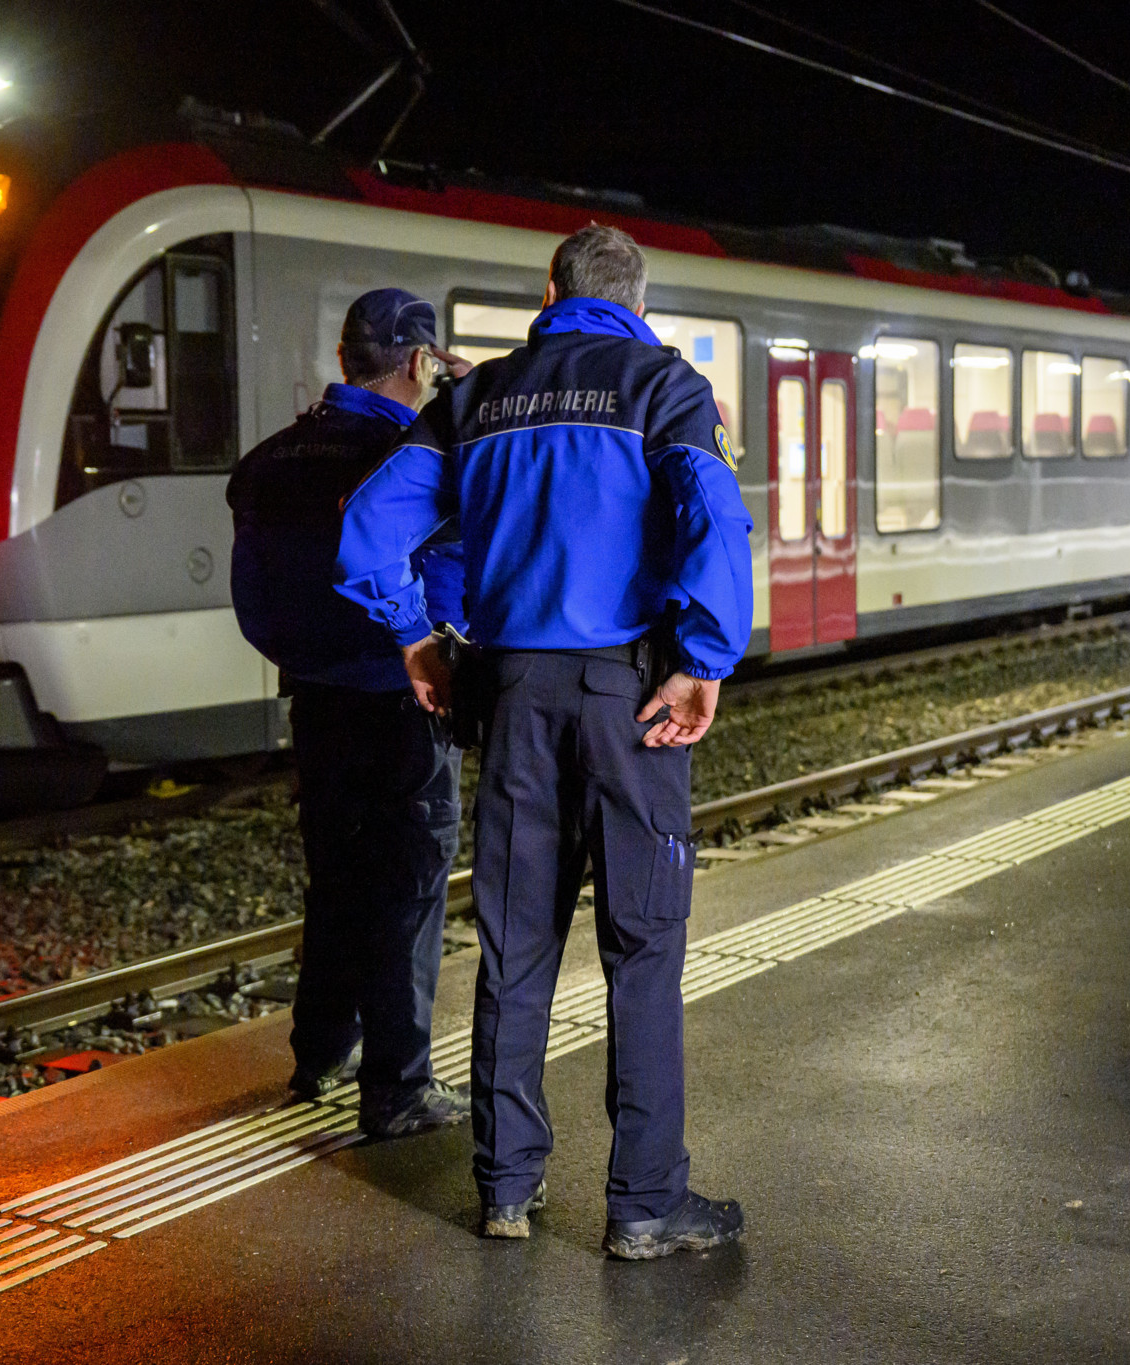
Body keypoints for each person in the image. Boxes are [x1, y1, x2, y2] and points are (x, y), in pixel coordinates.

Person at [335, 225, 755, 1259]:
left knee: (516, 944)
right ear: (638, 303)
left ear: (547, 291)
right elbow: (710, 517)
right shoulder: (663, 386)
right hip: (630, 701)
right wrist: (702, 657)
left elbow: (368, 527)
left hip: (512, 696)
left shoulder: (478, 398)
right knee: (642, 947)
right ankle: (646, 1203)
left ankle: (506, 1190)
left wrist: (415, 638)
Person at [225, 288, 473, 1140]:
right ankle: (399, 1087)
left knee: (335, 875)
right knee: (407, 886)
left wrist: (314, 655)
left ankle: (320, 1050)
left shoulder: (269, 461)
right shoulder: (412, 457)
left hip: (318, 701)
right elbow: (446, 585)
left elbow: (253, 604)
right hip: (405, 700)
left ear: (345, 359)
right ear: (417, 362)